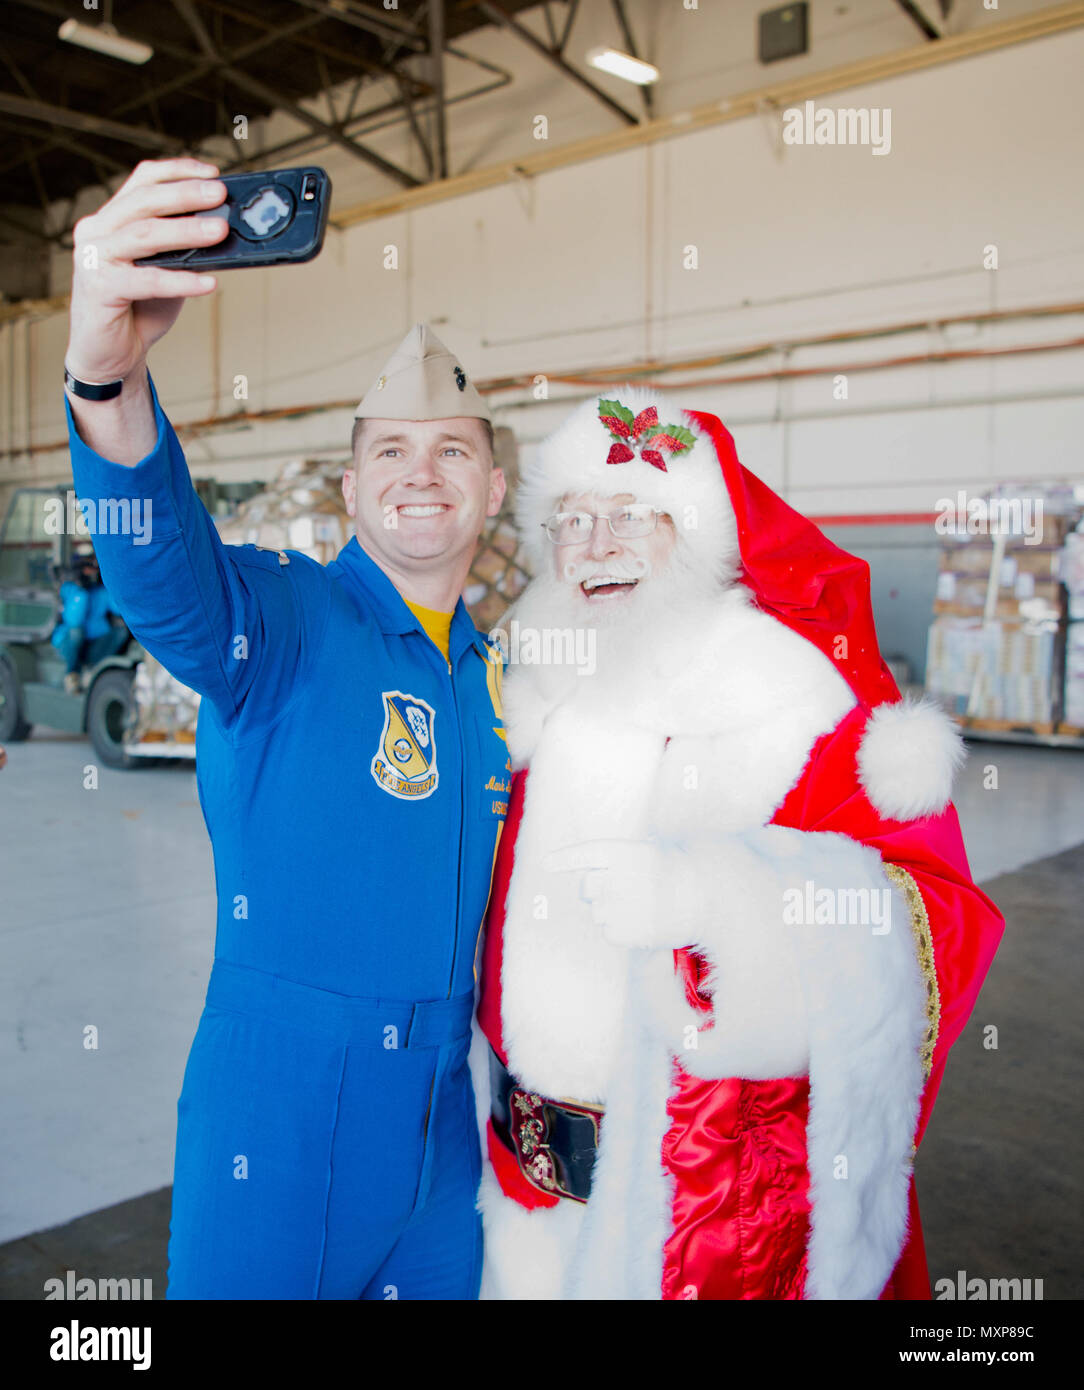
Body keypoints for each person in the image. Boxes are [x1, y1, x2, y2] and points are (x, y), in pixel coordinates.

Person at [62, 157, 508, 1298]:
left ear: (492, 490)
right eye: (391, 454)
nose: (422, 474)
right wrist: (107, 383)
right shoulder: (289, 622)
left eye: (452, 448)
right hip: (282, 1116)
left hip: (446, 1132)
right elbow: (168, 580)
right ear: (351, 492)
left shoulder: (501, 680)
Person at [473, 386, 1005, 1299]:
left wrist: (717, 905)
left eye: (631, 514)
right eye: (571, 517)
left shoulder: (805, 711)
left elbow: (942, 930)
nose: (593, 545)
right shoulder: (530, 698)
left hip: (706, 1221)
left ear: (700, 535)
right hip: (520, 1201)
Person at [51, 551, 127, 692]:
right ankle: (72, 674)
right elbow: (74, 620)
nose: (91, 572)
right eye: (87, 568)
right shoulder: (70, 589)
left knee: (121, 632)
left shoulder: (101, 591)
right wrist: (82, 592)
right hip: (68, 643)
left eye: (93, 568)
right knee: (77, 632)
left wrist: (115, 585)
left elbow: (118, 609)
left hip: (94, 642)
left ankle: (92, 670)